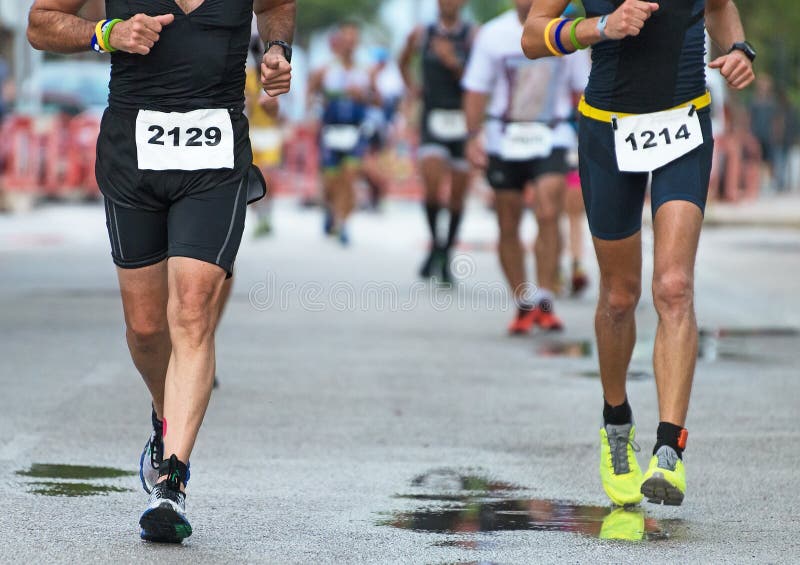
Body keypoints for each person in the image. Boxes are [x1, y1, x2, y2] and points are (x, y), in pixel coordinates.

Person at [27, 0, 294, 542]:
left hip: (215, 161)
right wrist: (107, 32)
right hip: (133, 156)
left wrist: (276, 49)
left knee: (192, 309)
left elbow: (278, 6)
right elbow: (38, 23)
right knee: (148, 328)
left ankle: (171, 480)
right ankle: (163, 411)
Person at [522, 0, 755, 506]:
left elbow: (719, 7)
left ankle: (669, 449)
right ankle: (616, 422)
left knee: (674, 286)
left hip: (683, 125)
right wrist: (601, 27)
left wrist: (739, 49)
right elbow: (533, 36)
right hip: (607, 130)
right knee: (619, 297)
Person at [462, 0, 575, 334]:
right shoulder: (493, 35)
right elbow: (476, 89)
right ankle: (524, 302)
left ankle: (545, 298)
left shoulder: (567, 30)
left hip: (552, 133)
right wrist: (471, 137)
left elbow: (583, 86)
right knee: (508, 222)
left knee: (548, 210)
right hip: (504, 137)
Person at [400, 0, 475, 283]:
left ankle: (445, 252)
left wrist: (452, 62)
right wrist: (412, 88)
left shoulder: (471, 35)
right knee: (432, 188)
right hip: (432, 118)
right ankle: (436, 243)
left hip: (462, 119)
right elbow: (403, 61)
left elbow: (478, 78)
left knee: (457, 195)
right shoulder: (422, 34)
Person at [308, 22, 373, 246]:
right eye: (346, 39)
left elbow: (378, 99)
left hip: (355, 132)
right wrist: (317, 108)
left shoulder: (365, 71)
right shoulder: (326, 69)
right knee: (332, 181)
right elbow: (311, 93)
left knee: (350, 177)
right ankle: (331, 209)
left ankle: (343, 223)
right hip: (331, 132)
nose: (349, 44)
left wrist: (363, 95)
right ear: (339, 42)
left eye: (353, 39)